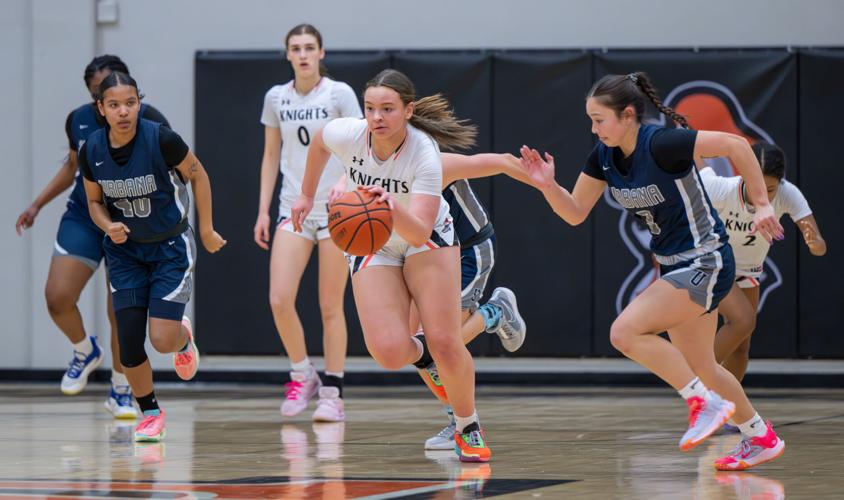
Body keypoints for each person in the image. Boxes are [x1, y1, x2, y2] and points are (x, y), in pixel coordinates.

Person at [518, 72, 785, 471]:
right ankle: (761, 436)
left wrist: (762, 203)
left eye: (599, 119)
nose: (593, 129)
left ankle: (702, 402)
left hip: (706, 259)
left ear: (628, 115)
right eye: (589, 120)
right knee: (703, 366)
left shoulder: (662, 143)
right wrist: (547, 186)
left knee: (624, 332)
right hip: (675, 265)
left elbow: (733, 144)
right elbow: (575, 212)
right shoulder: (603, 156)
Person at [292, 69, 491, 462]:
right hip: (375, 240)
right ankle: (426, 356)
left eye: (387, 109)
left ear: (408, 110)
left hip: (426, 237)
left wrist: (390, 205)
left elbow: (418, 233)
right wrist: (304, 195)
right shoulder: (348, 133)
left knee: (446, 340)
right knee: (388, 351)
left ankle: (468, 425)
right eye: (370, 108)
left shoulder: (424, 153)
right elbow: (318, 143)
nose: (377, 117)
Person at [15, 55, 169, 418]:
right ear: (94, 97)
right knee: (57, 296)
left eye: (121, 94)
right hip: (86, 216)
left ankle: (119, 387)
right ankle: (85, 351)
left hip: (130, 224)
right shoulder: (79, 120)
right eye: (102, 94)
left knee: (120, 311)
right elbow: (72, 166)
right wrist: (37, 204)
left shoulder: (150, 121)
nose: (115, 104)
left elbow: (173, 172)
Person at [80, 72, 226, 442]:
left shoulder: (162, 139)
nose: (123, 111)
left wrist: (206, 229)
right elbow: (94, 202)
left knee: (161, 340)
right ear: (101, 108)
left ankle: (182, 339)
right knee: (128, 342)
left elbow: (200, 175)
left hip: (169, 248)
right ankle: (150, 412)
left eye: (130, 103)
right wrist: (106, 225)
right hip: (125, 253)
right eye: (114, 105)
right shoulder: (92, 150)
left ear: (139, 103)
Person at [253, 23, 362, 422]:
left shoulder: (340, 94)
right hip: (292, 207)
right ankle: (303, 372)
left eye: (309, 47)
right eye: (295, 48)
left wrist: (346, 182)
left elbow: (360, 146)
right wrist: (263, 210)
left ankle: (333, 390)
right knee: (279, 299)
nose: (302, 54)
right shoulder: (276, 98)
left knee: (330, 304)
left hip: (338, 211)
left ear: (322, 53)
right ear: (287, 55)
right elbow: (270, 156)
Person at [700, 142, 826, 383]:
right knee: (744, 321)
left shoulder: (788, 194)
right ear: (743, 175)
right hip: (714, 263)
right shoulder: (722, 189)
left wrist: (814, 243)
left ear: (781, 183)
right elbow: (700, 168)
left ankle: (728, 410)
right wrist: (690, 140)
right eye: (756, 185)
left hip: (748, 271)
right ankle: (696, 378)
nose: (763, 195)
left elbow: (820, 246)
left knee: (741, 348)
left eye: (770, 189)